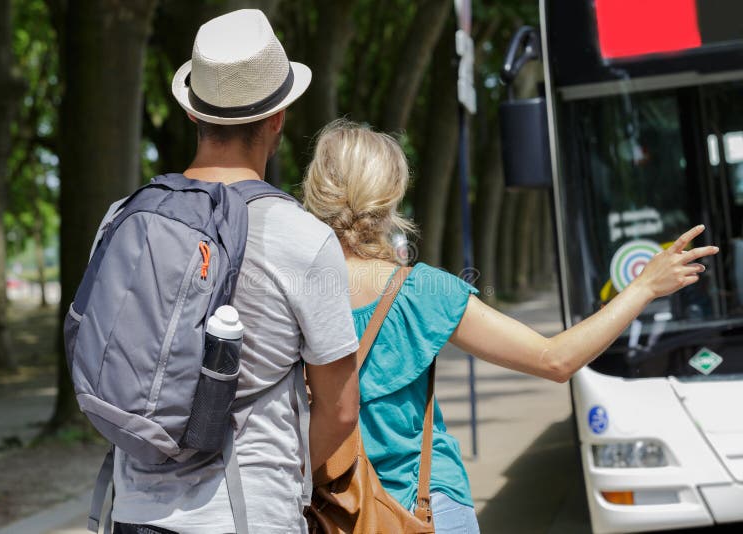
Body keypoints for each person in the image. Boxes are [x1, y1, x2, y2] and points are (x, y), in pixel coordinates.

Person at [302, 119, 719, 534]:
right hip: (426, 509)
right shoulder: (422, 291)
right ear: (391, 195)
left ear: (316, 192)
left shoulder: (289, 293)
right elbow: (555, 360)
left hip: (333, 512)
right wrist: (644, 286)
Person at [111, 11, 360, 534]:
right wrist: (292, 479)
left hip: (132, 508)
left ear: (193, 115)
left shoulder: (123, 218)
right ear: (278, 117)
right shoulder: (303, 237)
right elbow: (339, 410)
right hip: (247, 512)